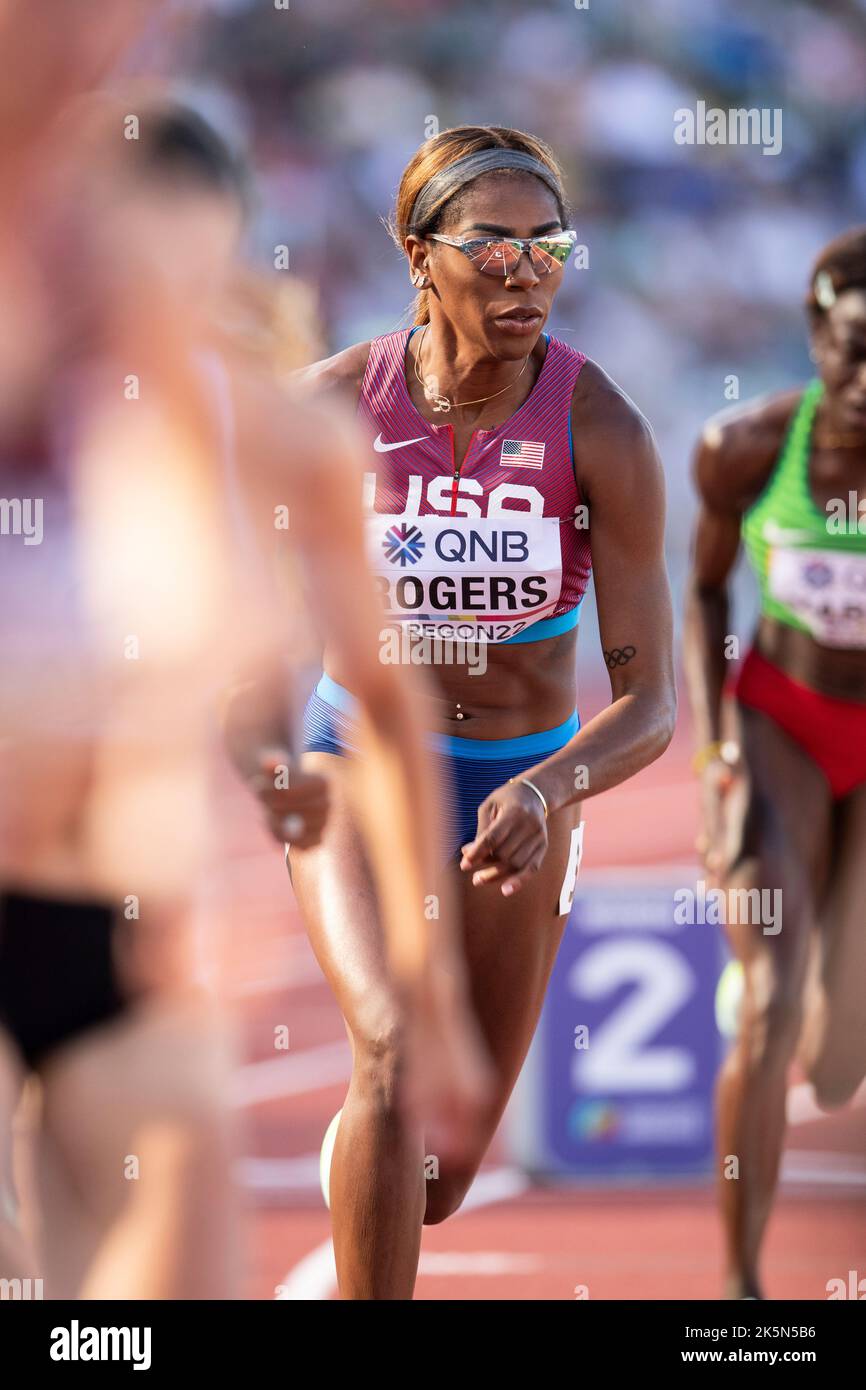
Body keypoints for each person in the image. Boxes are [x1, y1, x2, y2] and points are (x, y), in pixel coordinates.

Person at [0, 94, 486, 1299]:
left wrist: (429, 987)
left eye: (175, 255)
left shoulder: (282, 442)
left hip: (117, 941)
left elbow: (380, 703)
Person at [283, 124, 676, 1299]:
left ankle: (377, 1157)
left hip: (522, 782)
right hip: (357, 755)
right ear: (419, 256)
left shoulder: (598, 429)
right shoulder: (327, 412)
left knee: (439, 1172)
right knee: (395, 1053)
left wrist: (550, 785)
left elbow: (652, 698)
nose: (525, 269)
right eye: (490, 243)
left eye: (546, 243)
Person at [685, 227, 866, 1300]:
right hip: (781, 725)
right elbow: (704, 591)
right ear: (812, 334)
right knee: (765, 1001)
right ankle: (740, 1288)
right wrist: (716, 755)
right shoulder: (745, 447)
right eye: (853, 347)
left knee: (839, 1059)